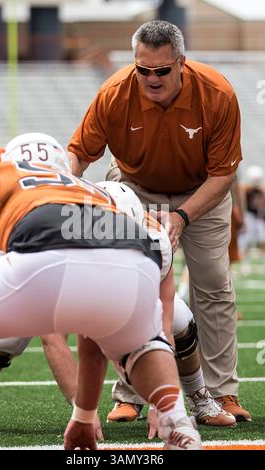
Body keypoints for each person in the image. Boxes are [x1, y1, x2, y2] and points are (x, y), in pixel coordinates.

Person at [0, 132, 201, 450]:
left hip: (45, 249)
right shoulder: (89, 189)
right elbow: (91, 338)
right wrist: (83, 415)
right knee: (140, 345)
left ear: (1, 158)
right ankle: (178, 424)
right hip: (133, 258)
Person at [67, 20, 251, 422]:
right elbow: (78, 153)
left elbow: (223, 174)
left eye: (162, 70)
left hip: (200, 190)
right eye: (142, 70)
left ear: (181, 64)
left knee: (214, 284)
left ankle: (222, 393)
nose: (151, 78)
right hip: (136, 188)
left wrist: (184, 216)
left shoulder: (217, 94)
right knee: (131, 283)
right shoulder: (114, 93)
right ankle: (129, 394)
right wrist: (60, 193)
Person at [97, 181, 236, 430]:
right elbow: (66, 337)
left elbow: (166, 324)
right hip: (89, 302)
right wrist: (83, 413)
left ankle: (199, 396)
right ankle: (126, 396)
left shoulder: (155, 240)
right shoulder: (70, 250)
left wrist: (162, 406)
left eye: (121, 234)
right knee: (6, 342)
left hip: (138, 296)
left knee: (182, 323)